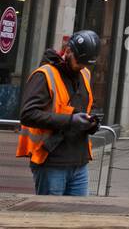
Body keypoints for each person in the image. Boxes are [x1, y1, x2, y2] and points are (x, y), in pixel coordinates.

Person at [17, 31, 102, 196]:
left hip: (79, 161)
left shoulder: (85, 74)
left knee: (78, 212)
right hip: (51, 162)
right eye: (79, 62)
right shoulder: (45, 75)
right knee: (50, 211)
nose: (82, 67)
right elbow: (28, 115)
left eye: (86, 63)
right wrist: (70, 120)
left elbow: (83, 109)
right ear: (68, 51)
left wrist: (90, 124)